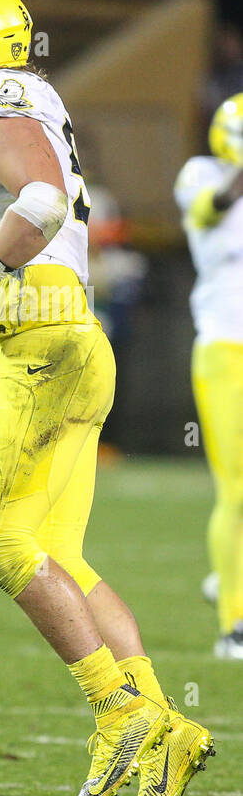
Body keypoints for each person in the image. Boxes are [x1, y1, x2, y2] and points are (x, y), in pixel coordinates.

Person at [0, 0, 214, 796]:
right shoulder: (21, 95)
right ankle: (163, 724)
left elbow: (39, 202)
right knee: (59, 552)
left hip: (39, 332)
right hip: (70, 329)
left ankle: (118, 711)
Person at [174, 93, 243, 658]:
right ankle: (234, 625)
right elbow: (210, 208)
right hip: (226, 348)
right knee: (236, 489)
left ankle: (229, 577)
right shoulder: (200, 173)